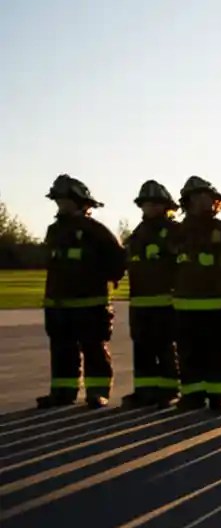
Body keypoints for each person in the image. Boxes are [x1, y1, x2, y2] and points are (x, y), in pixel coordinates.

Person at [37, 175, 125, 409]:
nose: (61, 204)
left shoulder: (95, 230)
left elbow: (117, 258)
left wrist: (110, 276)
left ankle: (97, 392)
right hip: (58, 304)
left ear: (80, 202)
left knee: (94, 349)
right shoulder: (54, 230)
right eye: (58, 200)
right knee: (61, 351)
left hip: (91, 304)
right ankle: (62, 393)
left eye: (65, 200)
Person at [171, 176, 221, 411]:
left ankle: (218, 395)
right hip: (186, 306)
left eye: (207, 197)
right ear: (188, 202)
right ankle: (192, 396)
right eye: (198, 197)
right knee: (188, 353)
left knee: (218, 353)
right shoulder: (178, 232)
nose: (203, 202)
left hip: (219, 306)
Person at [122, 180, 181, 408]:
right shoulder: (139, 232)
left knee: (165, 348)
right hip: (139, 302)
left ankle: (168, 391)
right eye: (146, 203)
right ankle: (144, 391)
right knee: (142, 348)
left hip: (166, 302)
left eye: (155, 203)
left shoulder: (174, 231)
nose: (150, 208)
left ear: (165, 206)